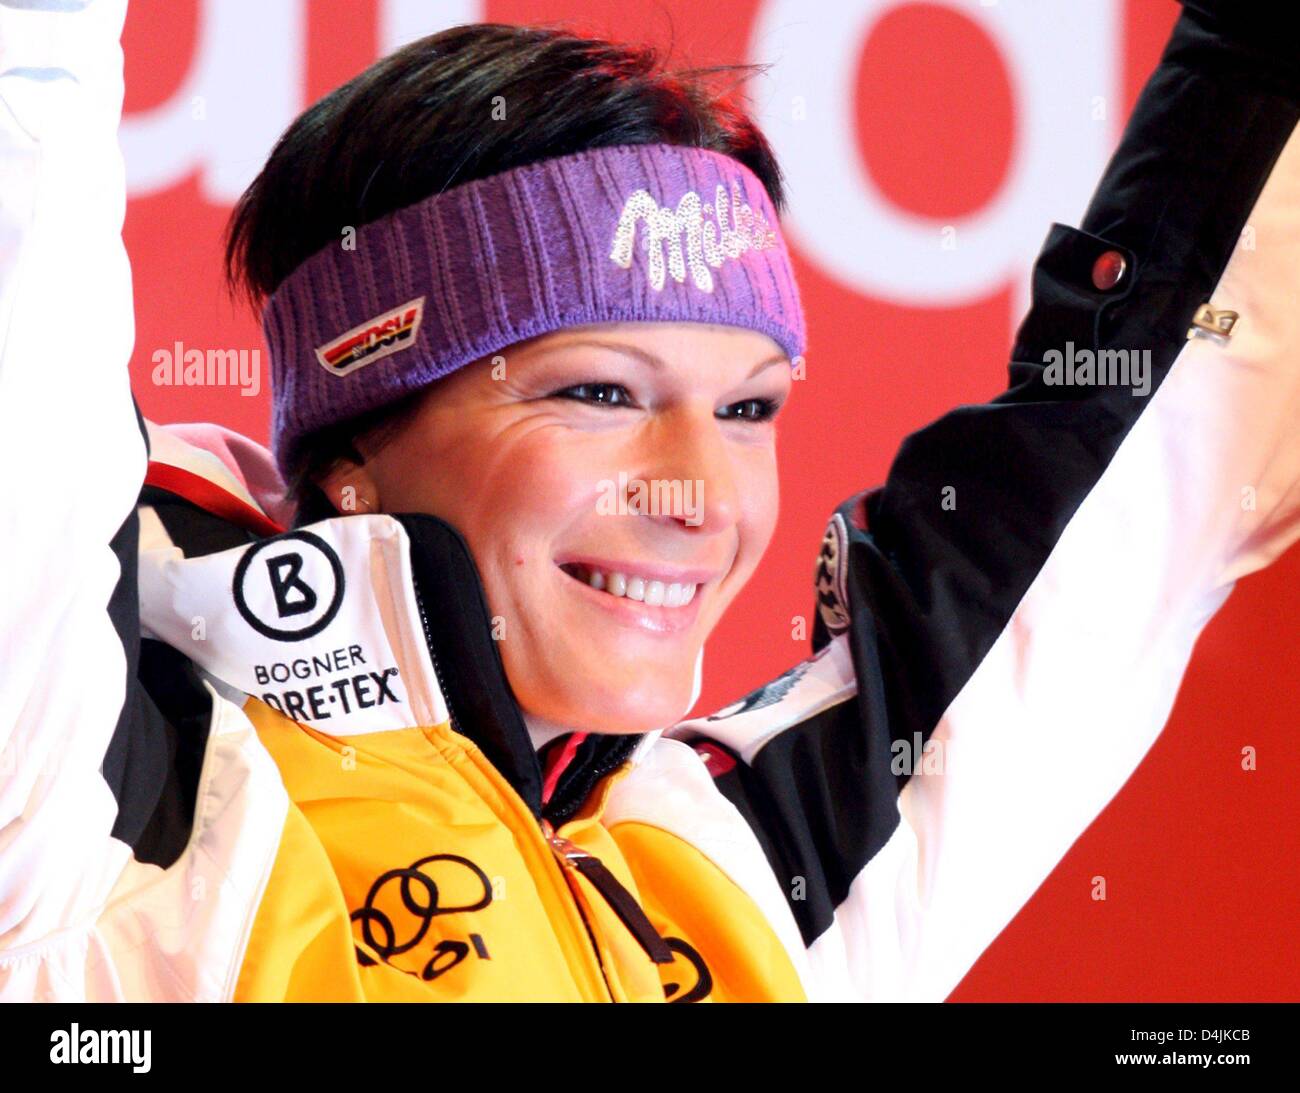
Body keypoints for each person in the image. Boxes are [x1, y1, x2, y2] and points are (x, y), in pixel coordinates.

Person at [0, 0, 1296, 1002]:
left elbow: (1175, 404)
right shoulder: (110, 802)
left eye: (748, 409)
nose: (699, 492)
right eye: (600, 394)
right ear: (355, 443)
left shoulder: (747, 878)